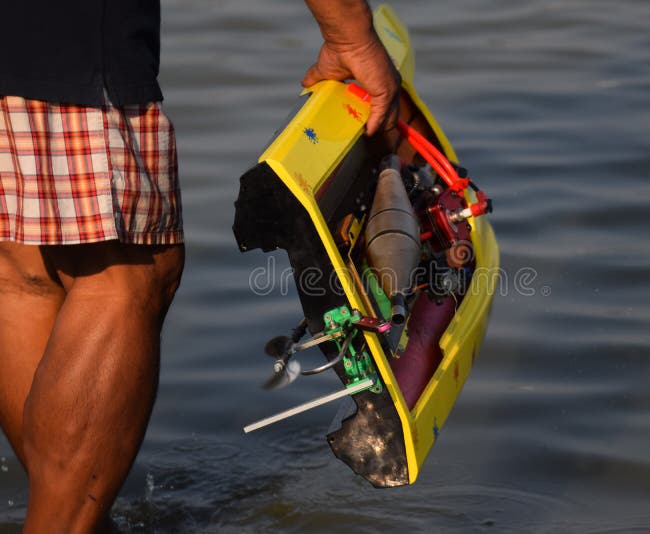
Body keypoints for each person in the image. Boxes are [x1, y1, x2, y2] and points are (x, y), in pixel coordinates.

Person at [0, 0, 399, 531]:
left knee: (24, 267)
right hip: (72, 35)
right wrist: (351, 35)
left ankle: (78, 518)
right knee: (123, 274)